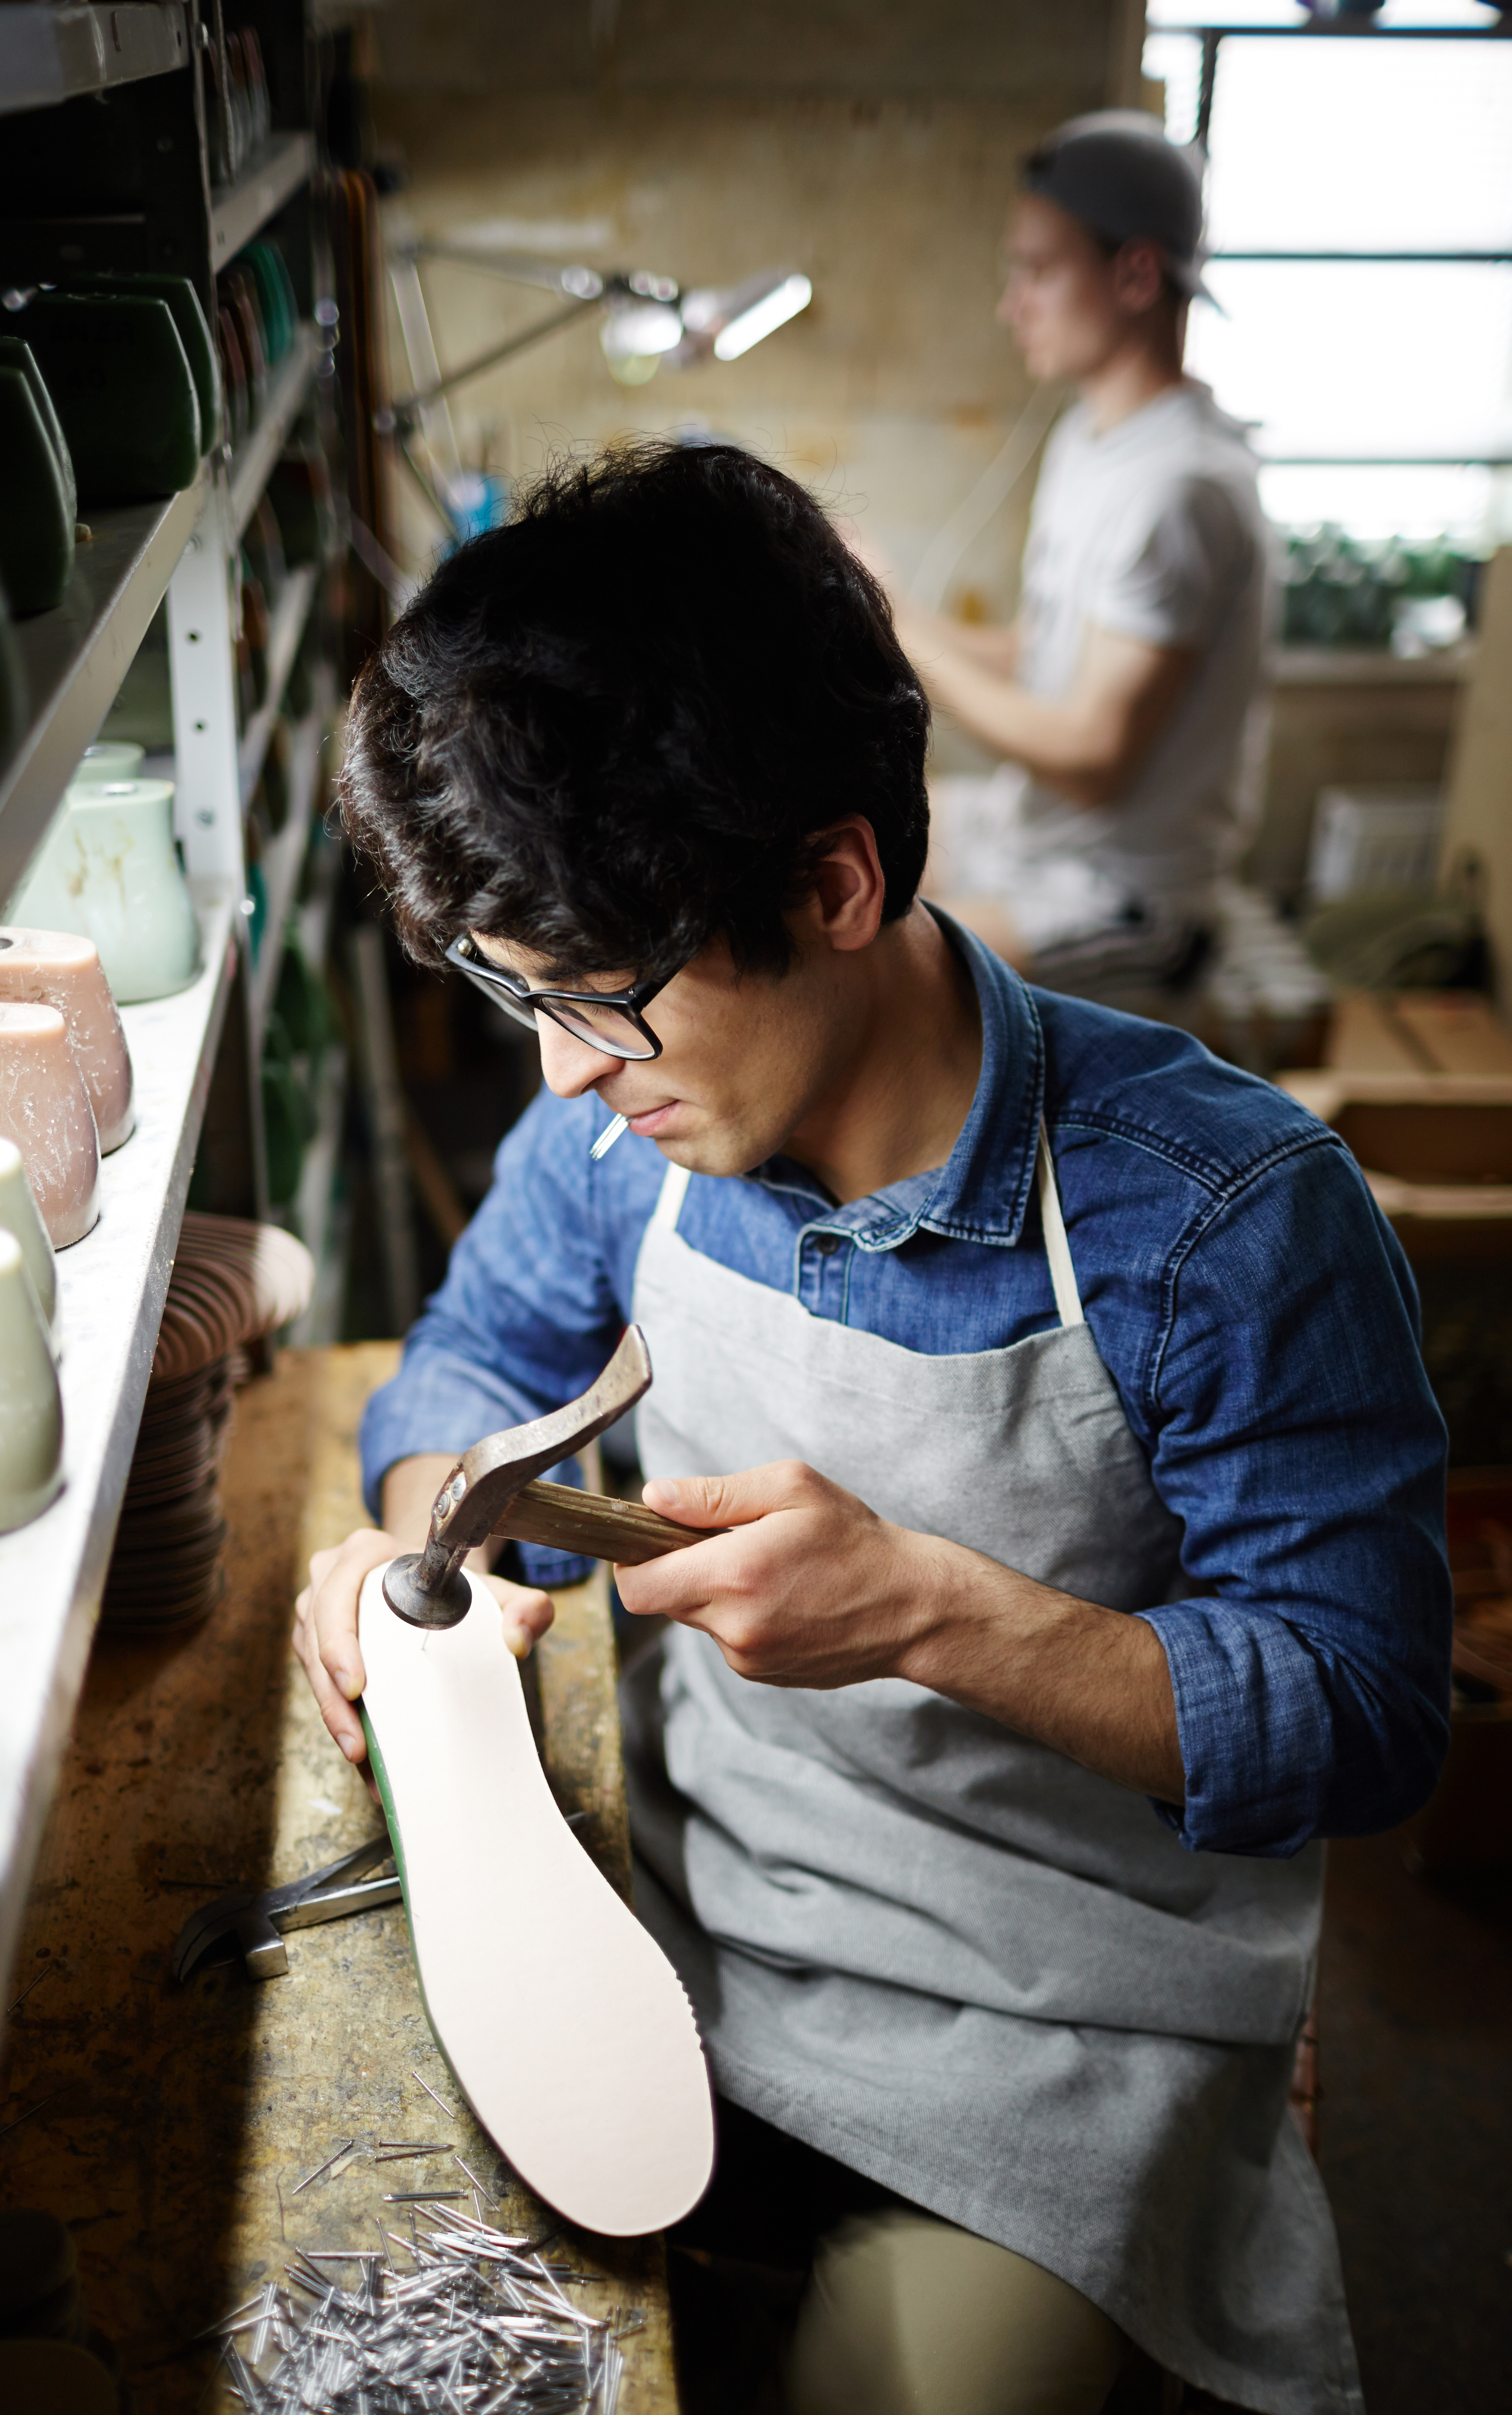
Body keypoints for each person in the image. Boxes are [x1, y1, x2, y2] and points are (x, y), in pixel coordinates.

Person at [295, 442, 1449, 2415]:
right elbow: (458, 1380)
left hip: (1057, 2036)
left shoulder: (1222, 1220)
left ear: (834, 879)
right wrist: (435, 1557)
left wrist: (930, 1613)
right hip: (688, 1915)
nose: (567, 1076)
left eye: (598, 1002)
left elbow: (1361, 1705)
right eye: (521, 1004)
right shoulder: (630, 1124)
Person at [871, 112, 1269, 998]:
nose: (1012, 304)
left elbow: (1094, 757)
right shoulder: (1092, 438)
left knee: (863, 971)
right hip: (1029, 836)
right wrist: (881, 605)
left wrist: (900, 625)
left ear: (1134, 274)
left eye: (1041, 271)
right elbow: (1045, 651)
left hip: (1125, 896)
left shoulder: (1182, 486)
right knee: (832, 847)